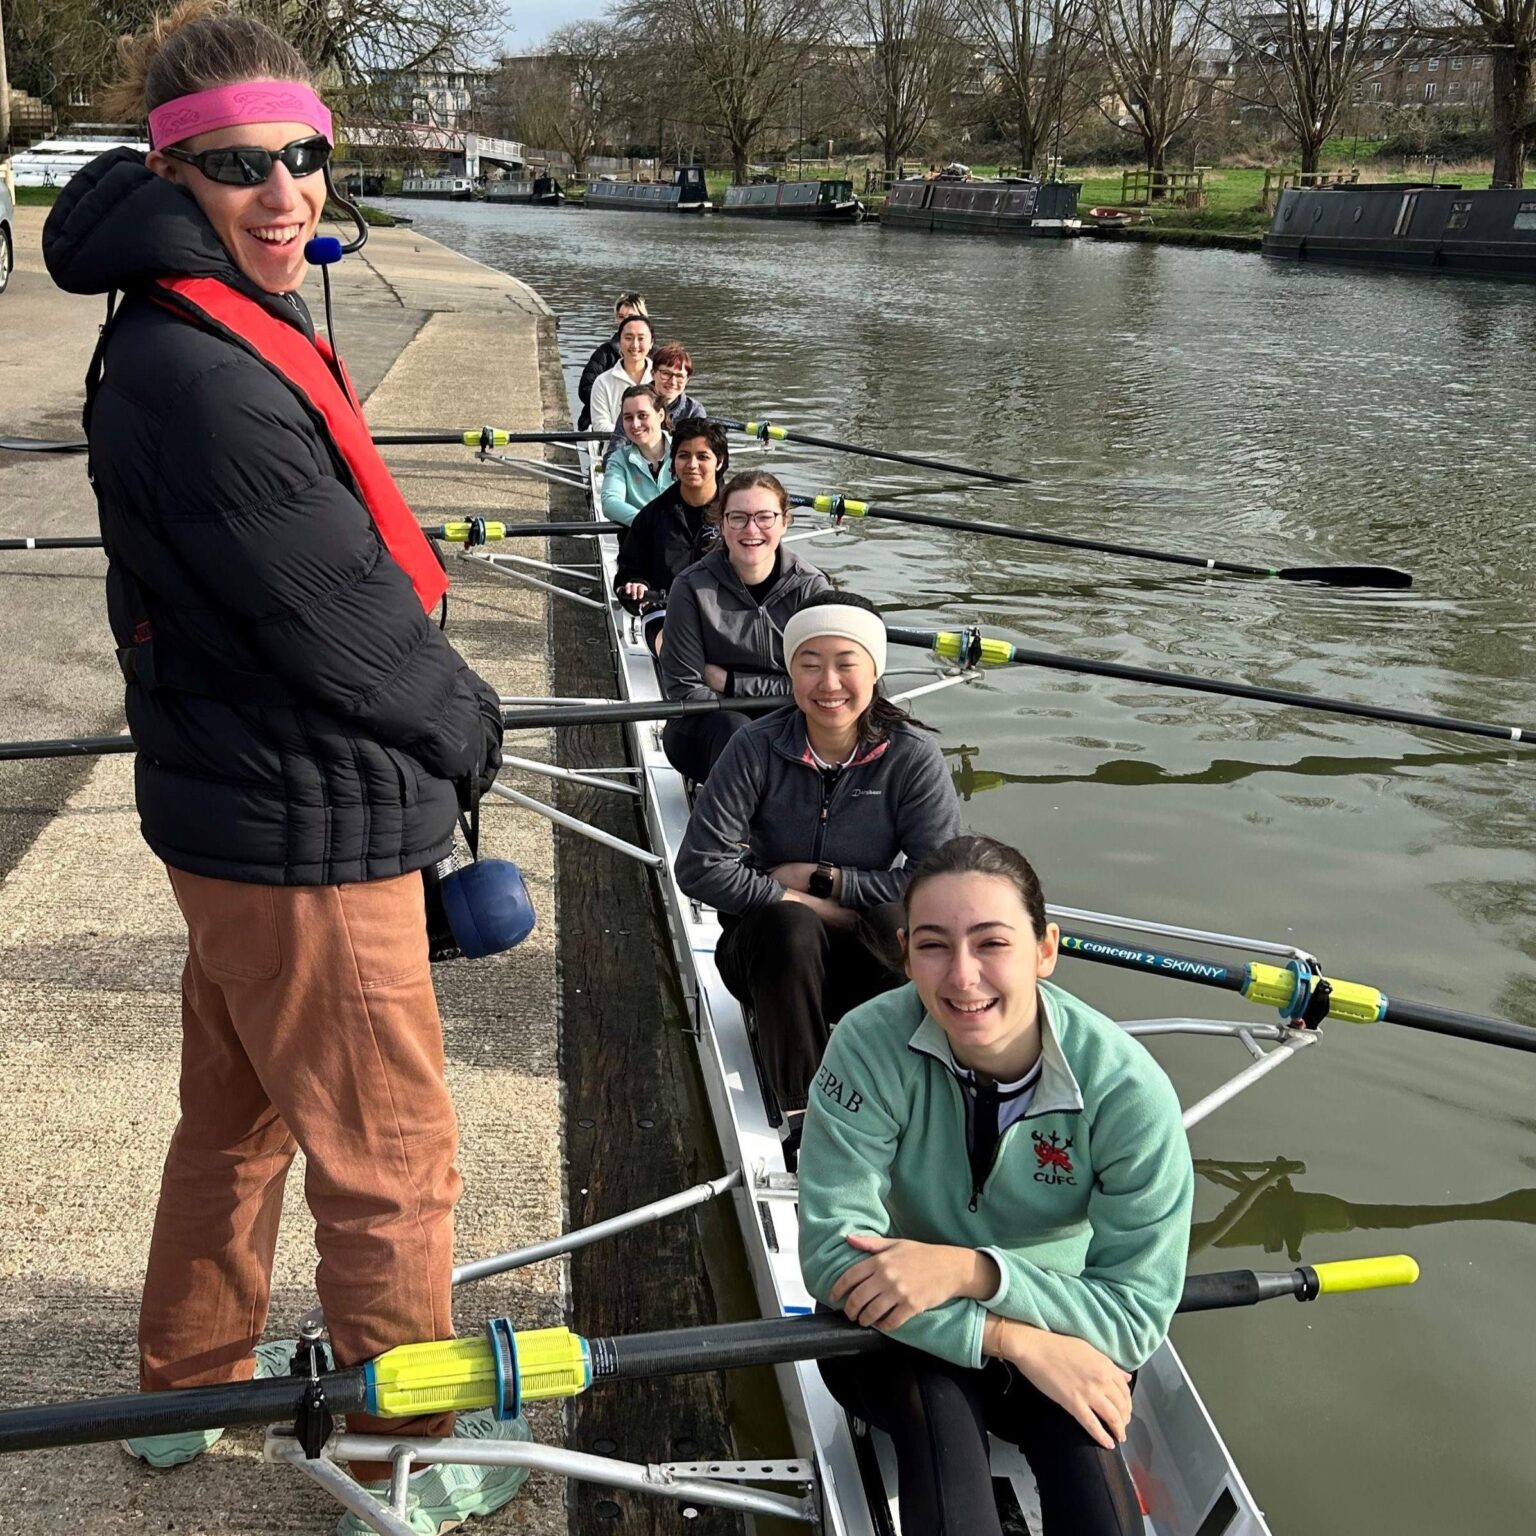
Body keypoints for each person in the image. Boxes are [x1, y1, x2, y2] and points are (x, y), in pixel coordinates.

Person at [41, 5, 525, 1532]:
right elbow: (343, 624)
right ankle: (403, 1451)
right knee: (395, 1162)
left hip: (239, 811)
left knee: (239, 1122)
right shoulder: (205, 372)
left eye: (303, 159)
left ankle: (183, 1395)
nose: (285, 192)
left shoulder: (194, 319)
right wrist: (469, 723)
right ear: (176, 176)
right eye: (241, 165)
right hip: (305, 825)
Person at [798, 834, 1195, 1536]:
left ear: (1045, 950)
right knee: (939, 1427)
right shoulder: (866, 1045)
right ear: (903, 953)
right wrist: (1011, 1340)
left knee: (1094, 1487)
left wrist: (972, 1271)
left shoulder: (1129, 1091)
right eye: (933, 946)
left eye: (991, 943)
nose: (962, 977)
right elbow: (833, 1258)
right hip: (900, 1331)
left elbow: (1134, 1319)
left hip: (1062, 1324)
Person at [675, 592, 961, 1156]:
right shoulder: (754, 747)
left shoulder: (913, 757)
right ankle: (806, 1117)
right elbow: (699, 866)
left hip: (864, 957)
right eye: (810, 664)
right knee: (791, 925)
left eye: (845, 664)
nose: (828, 683)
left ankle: (904, 1091)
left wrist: (833, 882)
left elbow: (941, 880)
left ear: (874, 671)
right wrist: (801, 901)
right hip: (769, 960)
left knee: (899, 922)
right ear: (791, 671)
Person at [659, 470, 828, 782]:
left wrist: (732, 683)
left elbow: (821, 685)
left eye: (765, 517)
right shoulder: (690, 587)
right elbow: (685, 690)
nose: (751, 529)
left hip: (785, 717)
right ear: (722, 524)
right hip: (707, 724)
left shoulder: (811, 588)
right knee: (736, 731)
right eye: (738, 518)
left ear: (784, 522)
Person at [614, 418, 727, 653]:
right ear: (673, 462)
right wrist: (636, 584)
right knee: (683, 651)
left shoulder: (736, 515)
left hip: (723, 613)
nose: (692, 464)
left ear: (720, 461)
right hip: (664, 612)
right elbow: (628, 571)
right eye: (683, 456)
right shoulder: (652, 515)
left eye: (702, 456)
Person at [604, 340, 704, 457]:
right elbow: (616, 447)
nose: (672, 381)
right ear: (653, 373)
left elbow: (698, 453)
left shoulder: (694, 411)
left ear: (687, 380)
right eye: (666, 374)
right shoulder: (634, 402)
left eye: (679, 376)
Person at [599, 383, 674, 528]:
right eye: (628, 418)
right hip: (642, 538)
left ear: (660, 415)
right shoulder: (619, 459)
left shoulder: (683, 452)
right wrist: (650, 523)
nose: (635, 424)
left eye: (642, 415)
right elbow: (610, 503)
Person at [576, 290, 645, 430]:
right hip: (605, 419)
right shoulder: (604, 353)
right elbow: (585, 388)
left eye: (631, 317)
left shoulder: (654, 356)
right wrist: (610, 405)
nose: (625, 321)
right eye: (621, 317)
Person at [587, 311, 653, 436]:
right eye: (628, 338)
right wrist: (637, 433)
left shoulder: (660, 378)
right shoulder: (602, 382)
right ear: (619, 341)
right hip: (616, 445)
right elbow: (600, 425)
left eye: (641, 338)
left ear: (651, 343)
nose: (635, 345)